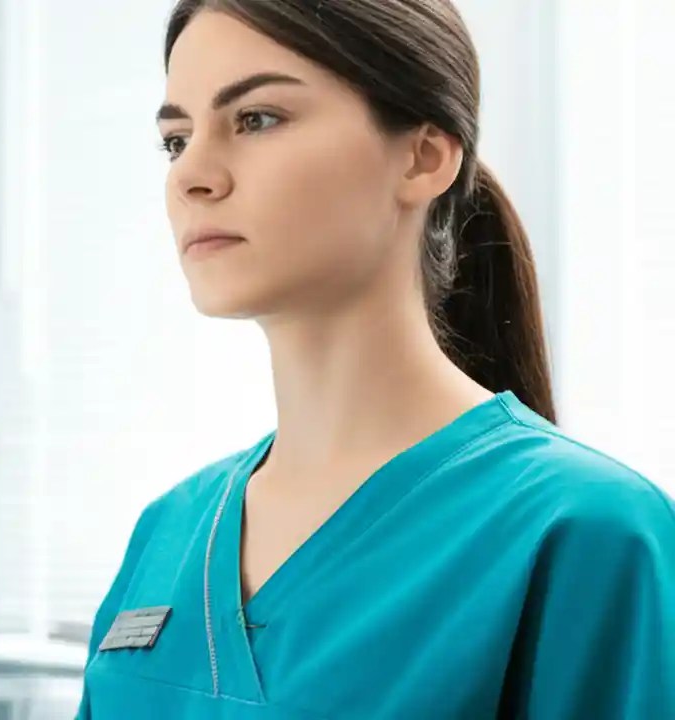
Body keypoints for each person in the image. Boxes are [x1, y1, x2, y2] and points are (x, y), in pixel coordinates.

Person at [76, 1, 675, 717]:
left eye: (257, 119)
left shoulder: (585, 530)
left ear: (424, 157)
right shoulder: (168, 531)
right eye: (176, 141)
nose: (191, 176)